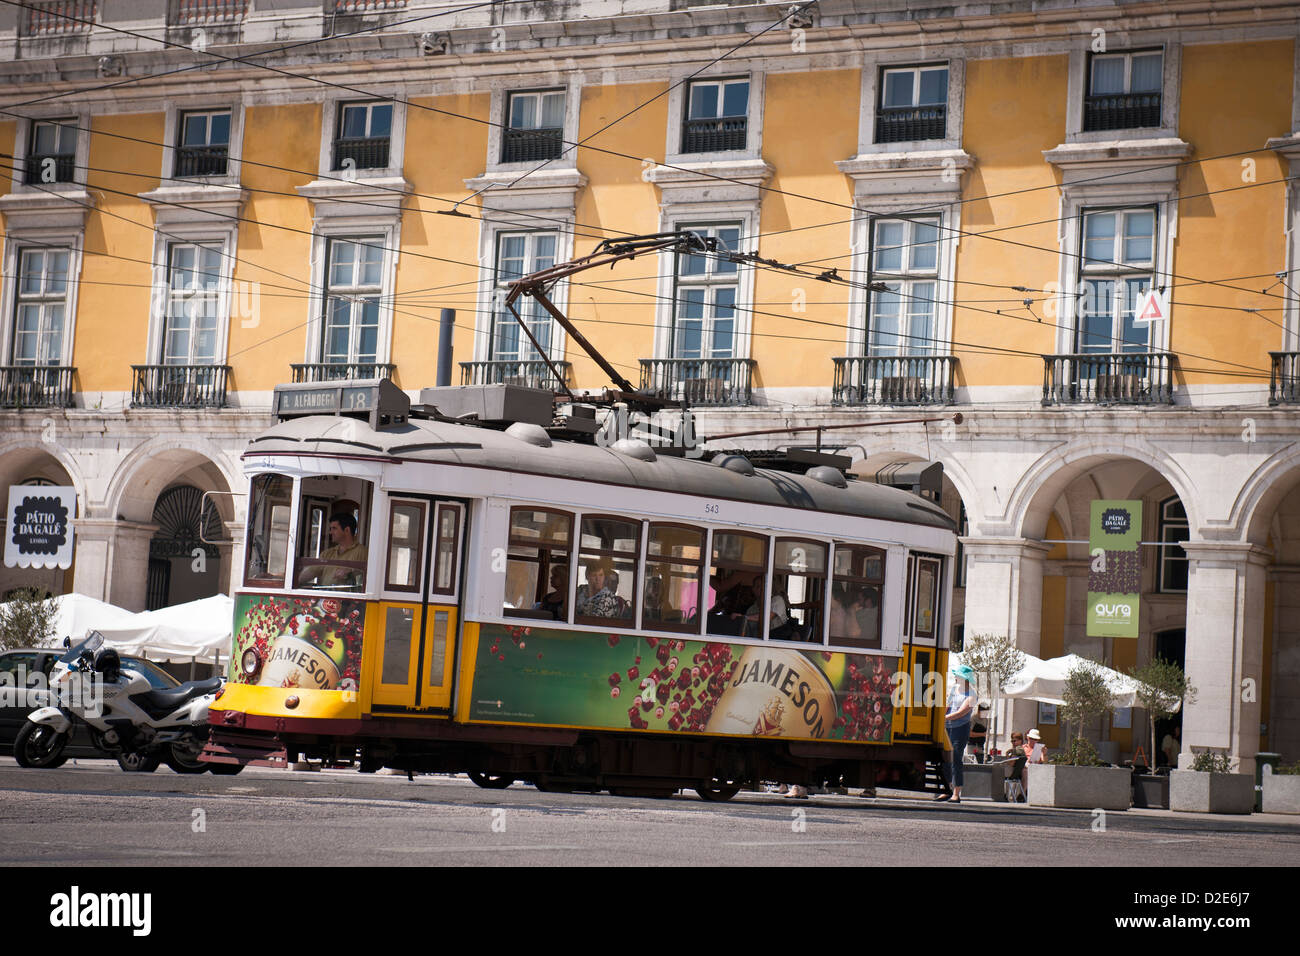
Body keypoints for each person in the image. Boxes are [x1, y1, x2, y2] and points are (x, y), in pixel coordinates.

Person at [938, 663, 978, 803]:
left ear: (964, 678)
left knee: (956, 759)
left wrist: (943, 718)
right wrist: (941, 717)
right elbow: (947, 706)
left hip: (960, 729)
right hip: (947, 727)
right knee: (945, 759)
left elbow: (961, 713)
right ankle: (947, 789)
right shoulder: (954, 689)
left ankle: (956, 792)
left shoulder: (972, 695)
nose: (955, 677)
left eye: (957, 675)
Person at [297, 512, 367, 588]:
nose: (330, 532)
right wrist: (293, 580)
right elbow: (311, 571)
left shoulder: (362, 552)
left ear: (347, 530)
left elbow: (367, 576)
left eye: (334, 528)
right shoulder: (327, 553)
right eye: (330, 529)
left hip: (347, 598)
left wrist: (350, 572)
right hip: (325, 597)